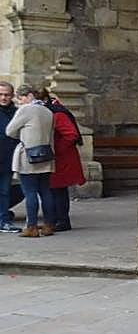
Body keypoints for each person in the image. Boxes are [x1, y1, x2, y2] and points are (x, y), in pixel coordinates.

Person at [5, 85, 56, 238]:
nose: (20, 102)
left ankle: (32, 227)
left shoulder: (26, 109)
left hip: (28, 156)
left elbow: (9, 131)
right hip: (46, 155)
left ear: (27, 96)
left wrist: (22, 134)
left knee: (30, 191)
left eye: (20, 99)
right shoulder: (48, 111)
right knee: (46, 191)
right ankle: (49, 225)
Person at [45, 93, 85, 232]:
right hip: (61, 157)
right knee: (56, 190)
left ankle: (61, 220)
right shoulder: (56, 111)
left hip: (62, 158)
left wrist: (56, 149)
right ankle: (58, 219)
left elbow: (71, 134)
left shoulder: (57, 114)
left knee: (57, 190)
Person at [0, 81, 24, 233]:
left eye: (6, 95)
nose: (3, 98)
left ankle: (3, 220)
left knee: (4, 191)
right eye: (0, 94)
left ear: (12, 96)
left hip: (7, 158)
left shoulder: (17, 113)